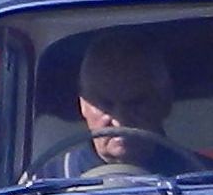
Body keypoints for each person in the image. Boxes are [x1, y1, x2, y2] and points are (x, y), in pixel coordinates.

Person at [46, 29, 181, 176]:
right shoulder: (43, 188)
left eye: (135, 104)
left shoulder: (204, 183)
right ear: (83, 105)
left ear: (164, 102)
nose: (120, 121)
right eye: (105, 105)